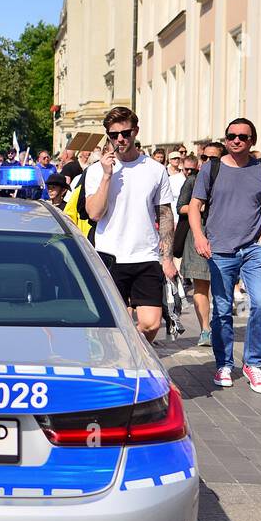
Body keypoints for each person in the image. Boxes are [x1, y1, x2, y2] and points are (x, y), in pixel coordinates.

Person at [187, 118, 261, 393]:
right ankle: (224, 362)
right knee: (223, 309)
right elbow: (195, 206)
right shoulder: (211, 168)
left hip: (253, 250)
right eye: (231, 136)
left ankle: (253, 363)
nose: (236, 140)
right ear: (226, 138)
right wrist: (199, 236)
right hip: (219, 251)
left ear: (252, 140)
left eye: (243, 136)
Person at [82, 106, 176, 344]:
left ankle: (135, 353)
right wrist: (106, 175)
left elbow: (165, 214)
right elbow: (94, 213)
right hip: (110, 255)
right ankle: (127, 362)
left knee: (151, 322)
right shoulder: (96, 171)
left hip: (146, 255)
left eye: (125, 133)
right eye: (114, 135)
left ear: (135, 131)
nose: (120, 139)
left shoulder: (155, 169)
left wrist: (167, 258)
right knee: (116, 323)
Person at [173, 152, 212, 345]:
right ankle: (206, 329)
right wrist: (198, 207)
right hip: (197, 236)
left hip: (224, 238)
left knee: (223, 288)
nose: (209, 162)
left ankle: (219, 327)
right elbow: (180, 207)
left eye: (214, 158)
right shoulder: (193, 181)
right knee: (201, 284)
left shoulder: (231, 181)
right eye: (206, 158)